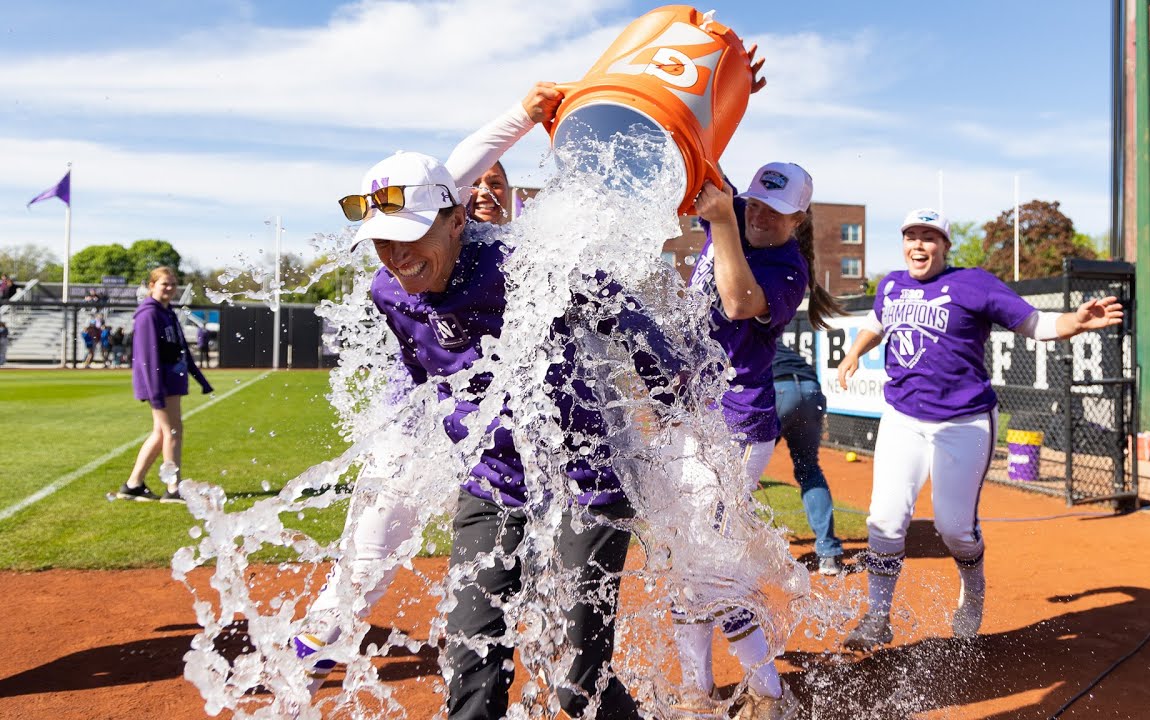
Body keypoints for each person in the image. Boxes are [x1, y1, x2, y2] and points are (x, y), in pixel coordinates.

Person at [293, 84, 676, 719]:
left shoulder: (523, 266)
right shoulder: (389, 292)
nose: (397, 256)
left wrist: (668, 391)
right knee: (470, 650)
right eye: (383, 241)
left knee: (577, 672)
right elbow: (424, 374)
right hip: (493, 481)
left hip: (581, 478)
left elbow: (619, 308)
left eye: (410, 235)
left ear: (457, 219)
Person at [835, 208, 1124, 651]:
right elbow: (877, 323)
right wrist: (855, 351)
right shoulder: (892, 283)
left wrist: (1075, 322)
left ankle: (973, 589)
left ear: (946, 247)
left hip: (963, 420)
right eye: (911, 235)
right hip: (903, 418)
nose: (918, 245)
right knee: (885, 521)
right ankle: (877, 616)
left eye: (929, 237)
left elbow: (1036, 324)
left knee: (955, 529)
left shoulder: (974, 283)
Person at [669, 162, 843, 720]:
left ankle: (766, 692)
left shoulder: (785, 263)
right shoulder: (735, 218)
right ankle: (698, 689)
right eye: (756, 203)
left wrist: (723, 224)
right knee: (684, 559)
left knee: (709, 564)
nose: (761, 215)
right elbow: (696, 158)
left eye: (778, 210)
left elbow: (739, 302)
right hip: (690, 421)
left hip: (737, 428)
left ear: (800, 219)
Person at [114, 267, 213, 503]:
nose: (169, 288)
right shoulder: (148, 315)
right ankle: (173, 488)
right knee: (173, 432)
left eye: (172, 284)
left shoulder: (168, 313)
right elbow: (147, 357)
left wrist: (201, 380)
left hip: (171, 381)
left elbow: (182, 350)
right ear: (152, 286)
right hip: (159, 384)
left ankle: (133, 485)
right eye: (163, 284)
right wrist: (155, 393)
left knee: (162, 433)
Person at [773, 340, 843, 575]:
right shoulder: (773, 338)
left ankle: (744, 554)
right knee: (809, 468)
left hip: (778, 389)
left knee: (740, 474)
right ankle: (829, 554)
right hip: (811, 389)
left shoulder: (735, 332)